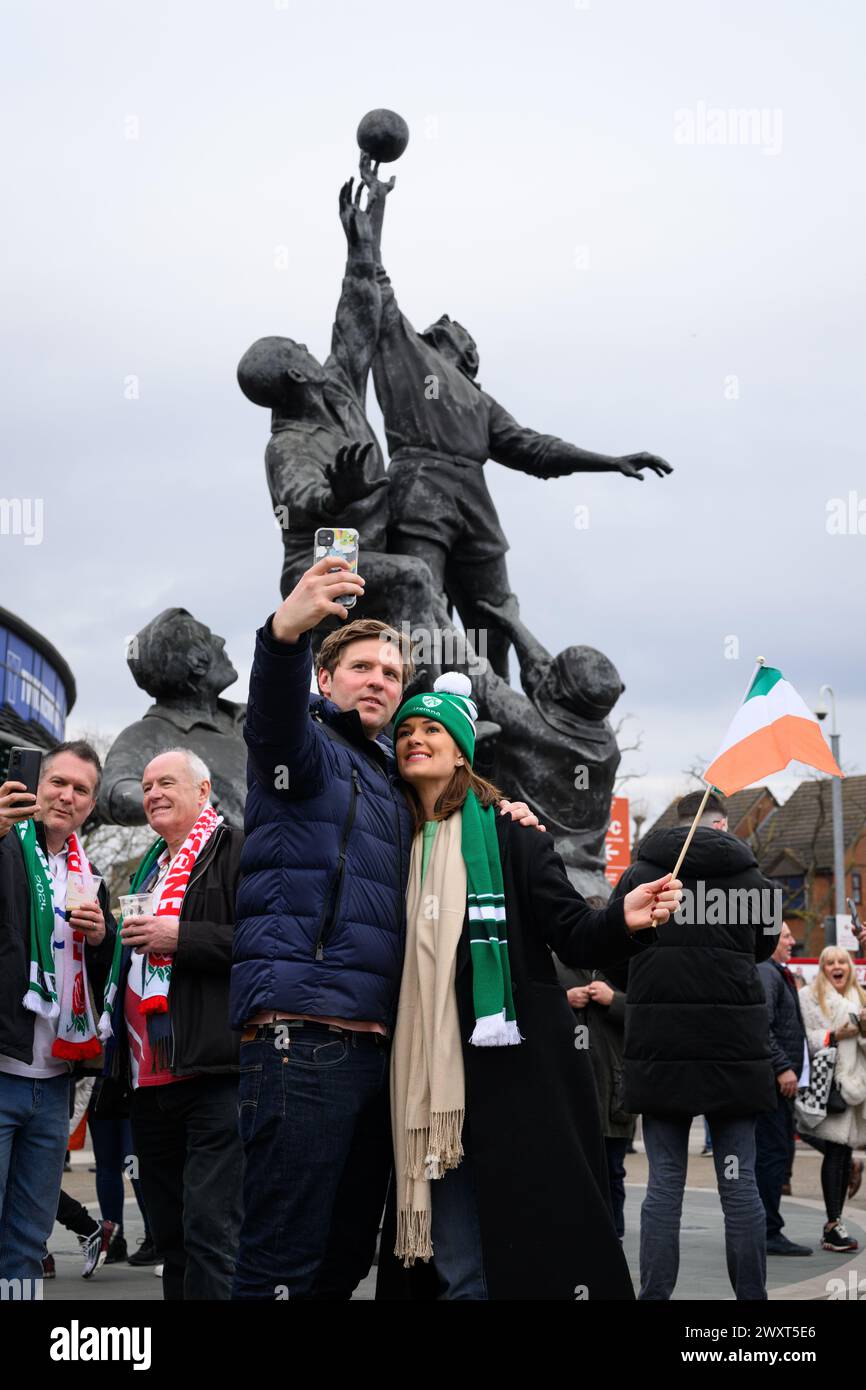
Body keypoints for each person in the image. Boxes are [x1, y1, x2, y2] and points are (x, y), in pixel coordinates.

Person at [230, 558, 545, 1301]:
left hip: (377, 1052)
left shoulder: (390, 781)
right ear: (327, 677)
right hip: (300, 1039)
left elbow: (451, 807)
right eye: (361, 666)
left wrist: (506, 816)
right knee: (281, 1266)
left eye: (392, 673)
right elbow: (271, 712)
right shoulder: (301, 750)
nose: (378, 679)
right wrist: (283, 633)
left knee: (341, 1266)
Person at [373, 673, 680, 1300]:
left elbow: (572, 931)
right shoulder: (388, 840)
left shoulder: (511, 833)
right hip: (425, 1082)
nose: (415, 739)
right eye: (404, 731)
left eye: (432, 728)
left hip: (511, 1077)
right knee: (456, 1265)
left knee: (525, 1252)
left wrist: (623, 918)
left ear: (461, 749)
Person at [358, 158, 673, 679]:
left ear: (469, 359)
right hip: (420, 497)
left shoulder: (480, 403)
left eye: (458, 330)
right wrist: (377, 210)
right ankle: (419, 706)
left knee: (497, 619)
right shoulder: (408, 353)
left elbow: (535, 449)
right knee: (421, 612)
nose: (446, 324)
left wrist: (610, 461)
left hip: (475, 509)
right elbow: (376, 283)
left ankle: (495, 719)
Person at [614, 789, 778, 1301]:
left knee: (664, 1184)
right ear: (723, 827)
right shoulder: (757, 884)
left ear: (676, 823)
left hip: (660, 1051)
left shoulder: (642, 877)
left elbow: (615, 952)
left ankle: (655, 1297)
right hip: (735, 1052)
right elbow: (763, 951)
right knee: (740, 1184)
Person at [98, 748, 244, 1299]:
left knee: (212, 1235)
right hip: (147, 1080)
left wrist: (180, 938)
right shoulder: (149, 865)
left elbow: (268, 941)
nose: (152, 793)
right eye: (146, 784)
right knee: (172, 1237)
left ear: (203, 792)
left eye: (166, 783)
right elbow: (131, 965)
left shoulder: (236, 850)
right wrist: (102, 939)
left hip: (212, 1073)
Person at [0, 741, 115, 1292]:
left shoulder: (90, 876)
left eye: (81, 790)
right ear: (37, 784)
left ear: (90, 805)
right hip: (2, 1066)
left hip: (54, 1082)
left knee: (27, 1240)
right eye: (59, 782)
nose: (67, 796)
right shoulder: (3, 843)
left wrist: (101, 939)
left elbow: (100, 975)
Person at [99, 608, 247, 828]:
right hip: (228, 858)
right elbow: (114, 793)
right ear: (195, 663)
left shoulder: (255, 716)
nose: (221, 641)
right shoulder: (147, 735)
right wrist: (184, 799)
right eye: (208, 638)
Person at [554, 910, 636, 1241]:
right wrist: (564, 999)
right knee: (573, 1171)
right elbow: (528, 1006)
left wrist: (613, 999)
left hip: (613, 1092)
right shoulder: (555, 964)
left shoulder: (623, 966)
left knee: (614, 1170)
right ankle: (577, 1232)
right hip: (571, 1090)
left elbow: (647, 1015)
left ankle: (613, 1233)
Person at [798, 947, 866, 1252]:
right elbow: (804, 1038)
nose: (837, 967)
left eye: (842, 962)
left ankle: (834, 1225)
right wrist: (835, 1034)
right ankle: (832, 1225)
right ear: (823, 968)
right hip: (824, 1086)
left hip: (853, 1086)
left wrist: (862, 1029)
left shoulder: (859, 997)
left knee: (841, 1152)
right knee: (836, 1151)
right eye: (830, 962)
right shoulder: (809, 996)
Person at [755, 923, 812, 1255]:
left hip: (781, 1086)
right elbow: (764, 1025)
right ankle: (767, 1231)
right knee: (772, 1157)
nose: (792, 941)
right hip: (774, 1085)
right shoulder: (766, 972)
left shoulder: (775, 972)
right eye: (786, 936)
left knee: (778, 1154)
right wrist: (783, 1068)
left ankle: (769, 1228)